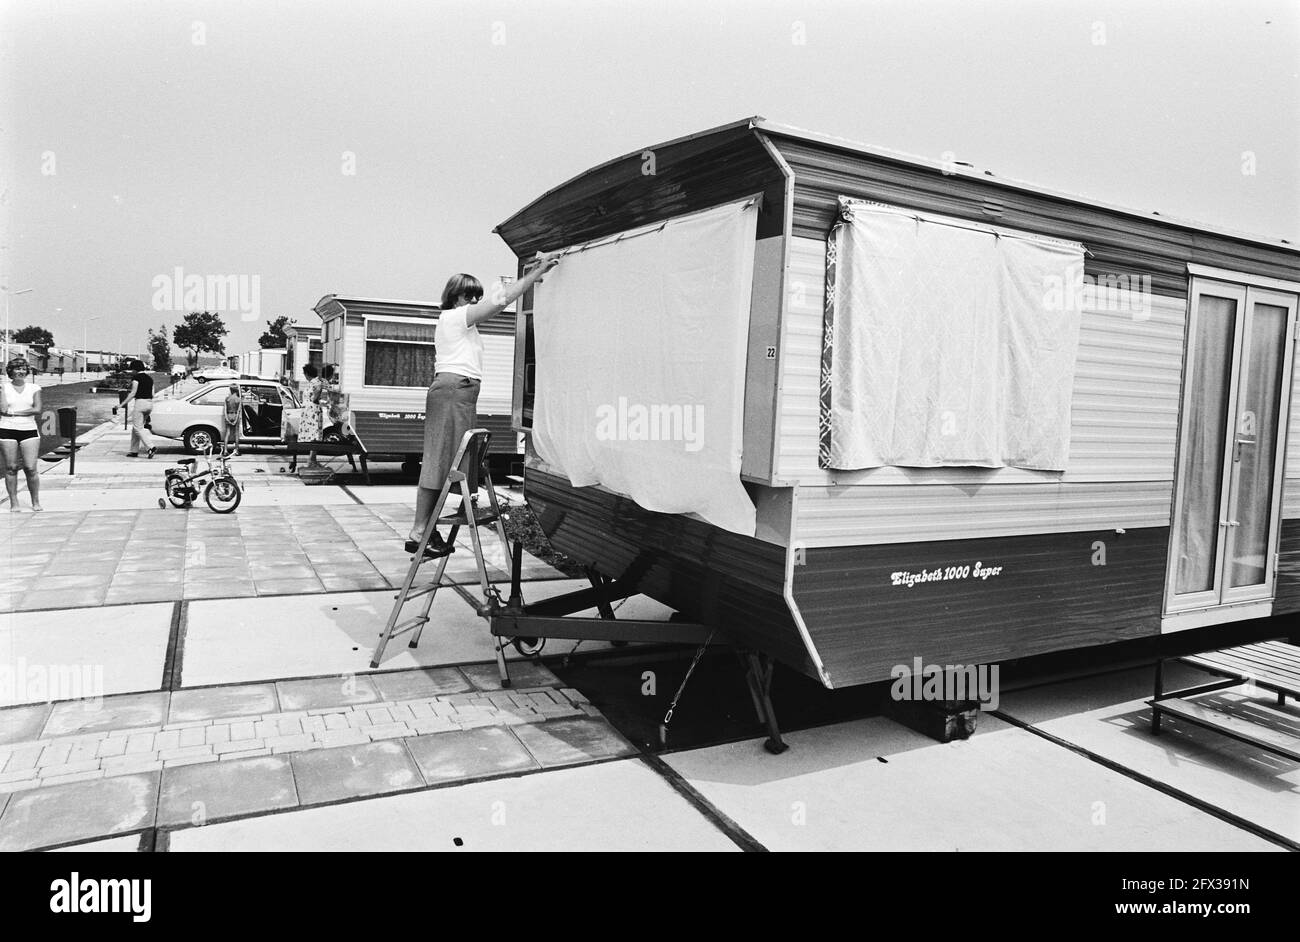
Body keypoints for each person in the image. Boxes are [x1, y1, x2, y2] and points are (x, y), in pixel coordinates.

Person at [407, 254, 561, 556]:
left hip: (459, 392)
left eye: (478, 295)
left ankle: (427, 528)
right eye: (470, 295)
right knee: (440, 459)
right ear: (455, 297)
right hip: (454, 390)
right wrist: (536, 274)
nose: (476, 299)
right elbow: (500, 300)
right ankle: (419, 529)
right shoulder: (454, 317)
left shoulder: (463, 324)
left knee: (452, 459)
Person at [0, 357, 44, 512]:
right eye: (17, 368)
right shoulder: (4, 387)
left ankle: (35, 501)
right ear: (10, 371)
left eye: (23, 368)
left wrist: (15, 412)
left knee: (30, 467)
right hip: (7, 429)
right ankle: (14, 502)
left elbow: (37, 409)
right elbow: (3, 409)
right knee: (11, 467)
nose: (20, 371)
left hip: (29, 430)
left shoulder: (34, 388)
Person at [120, 359, 156, 458]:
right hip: (149, 404)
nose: (132, 371)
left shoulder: (136, 378)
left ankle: (151, 447)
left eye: (132, 369)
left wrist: (121, 404)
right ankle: (134, 451)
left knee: (137, 428)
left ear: (135, 369)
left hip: (140, 403)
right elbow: (153, 394)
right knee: (137, 428)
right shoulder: (150, 379)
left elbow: (133, 393)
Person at [297, 363, 324, 472]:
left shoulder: (316, 383)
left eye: (304, 374)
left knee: (314, 435)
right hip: (309, 411)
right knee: (312, 435)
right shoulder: (312, 383)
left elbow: (315, 397)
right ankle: (312, 459)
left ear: (308, 374)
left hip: (312, 412)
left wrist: (312, 400)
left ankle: (312, 459)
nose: (304, 376)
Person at [222, 383, 243, 455]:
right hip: (235, 414)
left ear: (231, 390)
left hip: (228, 414)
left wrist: (227, 418)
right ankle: (236, 450)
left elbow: (225, 409)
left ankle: (225, 450)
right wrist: (236, 419)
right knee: (236, 434)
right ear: (236, 391)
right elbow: (238, 411)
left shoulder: (227, 398)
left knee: (227, 433)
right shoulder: (238, 399)